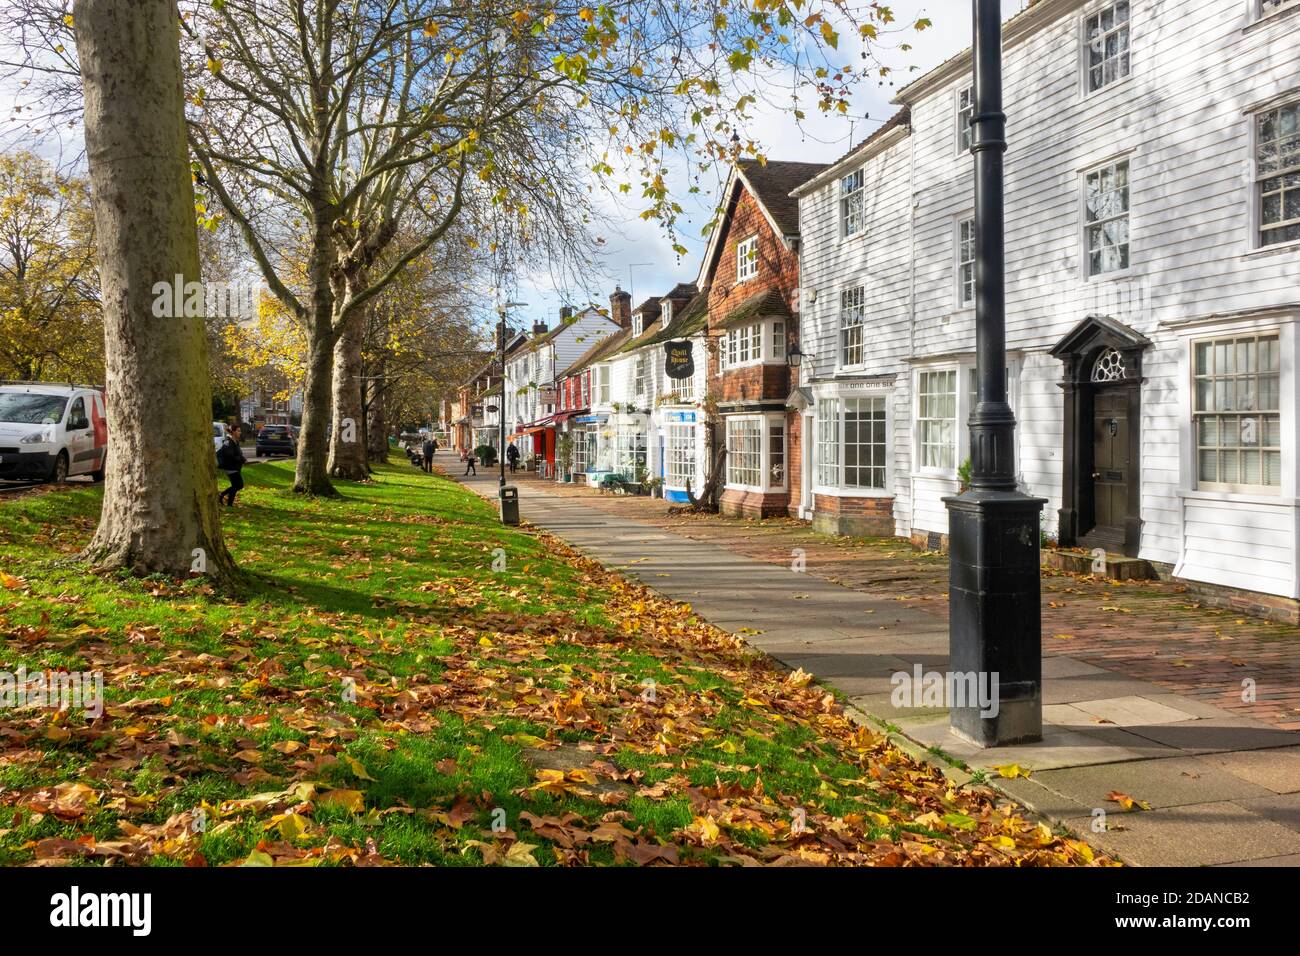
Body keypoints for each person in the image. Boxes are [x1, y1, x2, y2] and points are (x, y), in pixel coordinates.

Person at [216, 423, 247, 507]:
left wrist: (242, 459)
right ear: (233, 432)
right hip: (230, 467)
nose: (240, 432)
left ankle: (229, 504)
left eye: (240, 431)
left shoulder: (235, 441)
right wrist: (240, 459)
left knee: (235, 486)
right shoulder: (228, 442)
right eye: (238, 431)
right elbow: (229, 454)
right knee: (239, 485)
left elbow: (238, 453)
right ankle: (221, 495)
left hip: (235, 467)